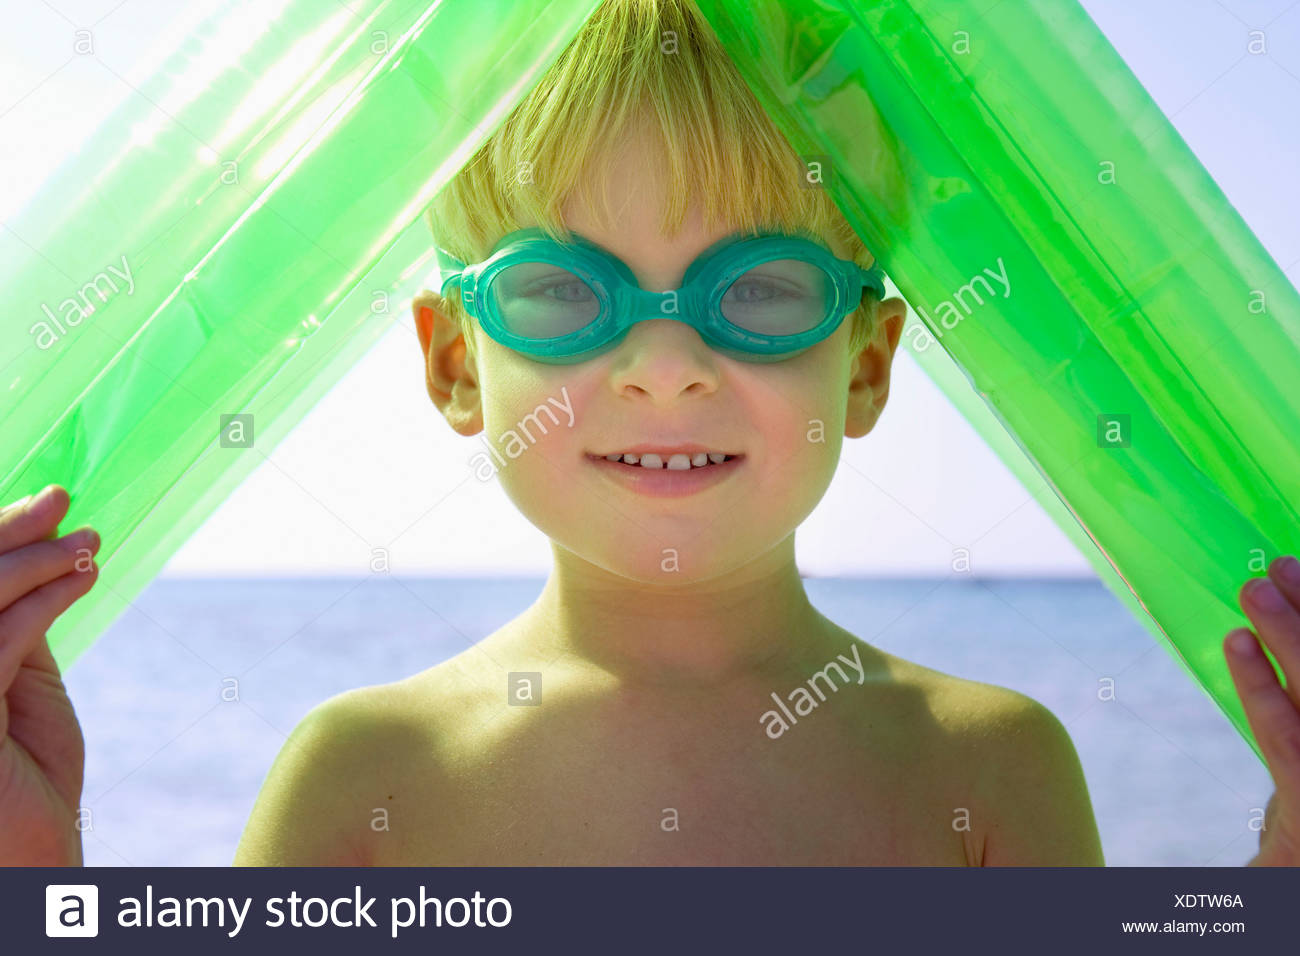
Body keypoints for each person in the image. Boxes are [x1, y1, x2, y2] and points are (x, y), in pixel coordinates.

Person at [2, 0, 1296, 867]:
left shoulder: (992, 771)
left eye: (765, 294)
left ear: (868, 361)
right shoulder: (364, 780)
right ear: (458, 363)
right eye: (565, 296)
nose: (667, 365)